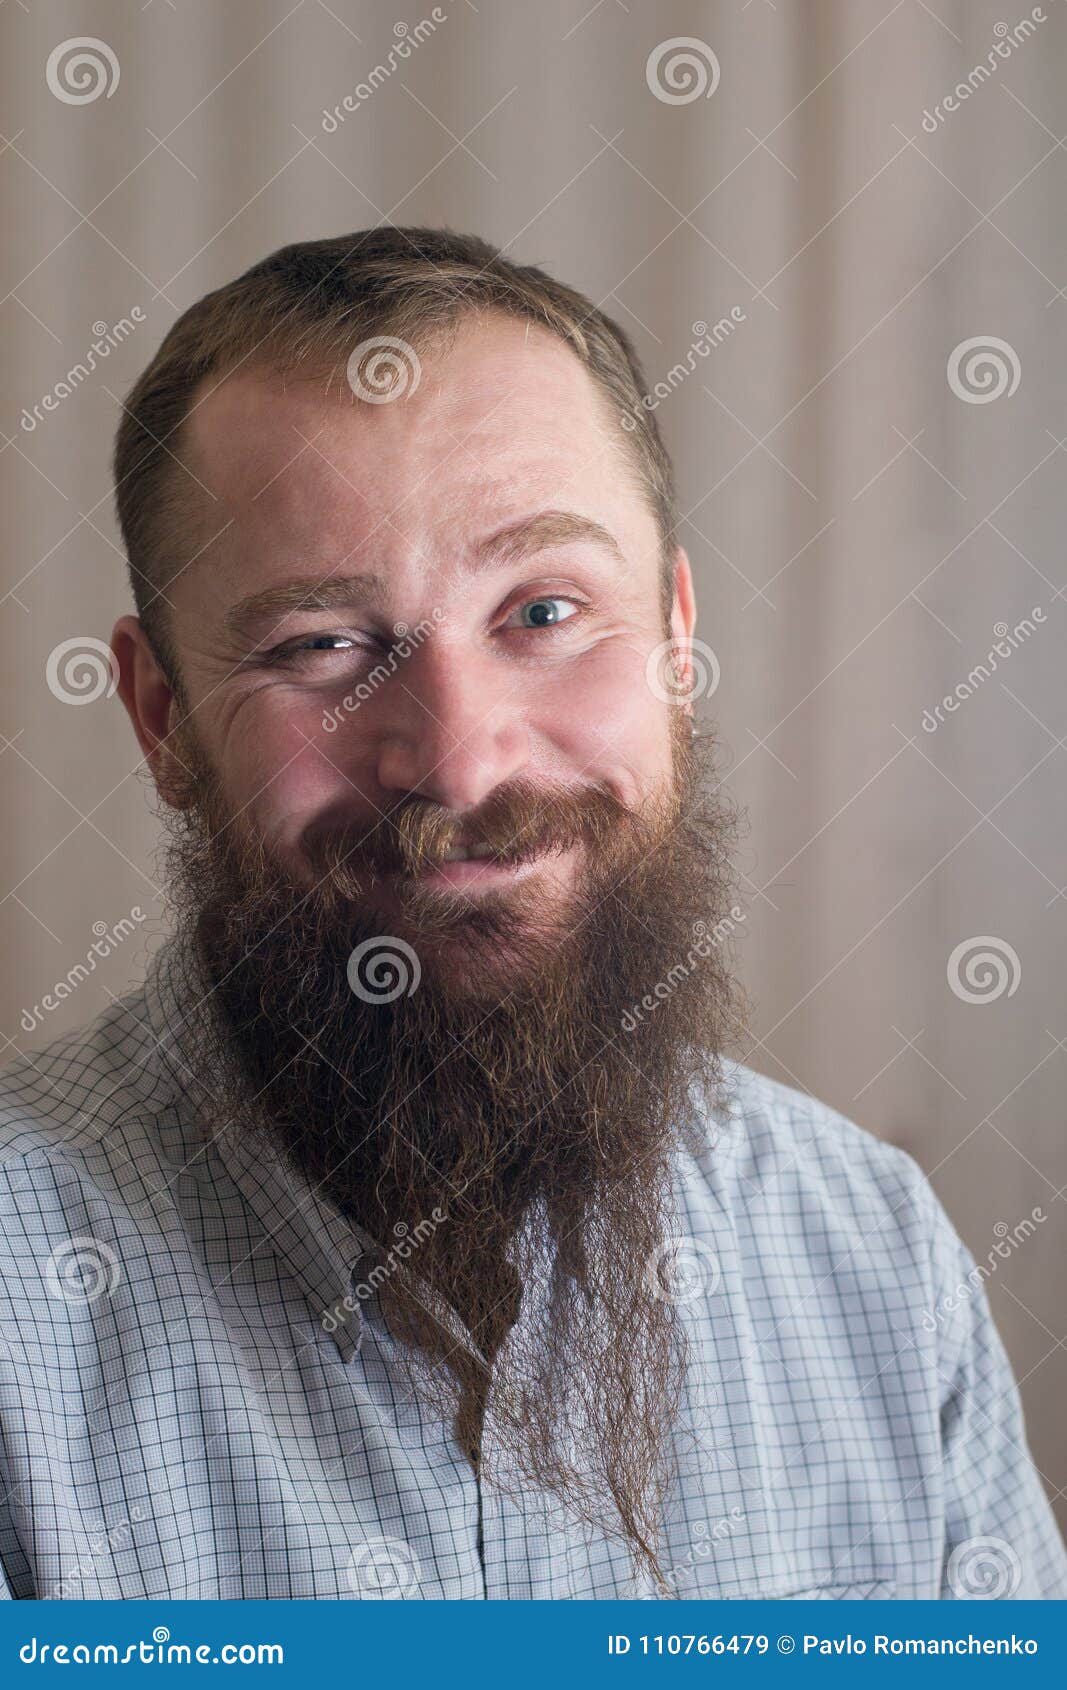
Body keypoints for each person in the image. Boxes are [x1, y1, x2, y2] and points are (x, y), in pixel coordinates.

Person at [0, 228, 1064, 1601]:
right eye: (321, 644)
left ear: (678, 639)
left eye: (545, 609)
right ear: (162, 718)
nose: (459, 760)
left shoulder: (876, 1254)